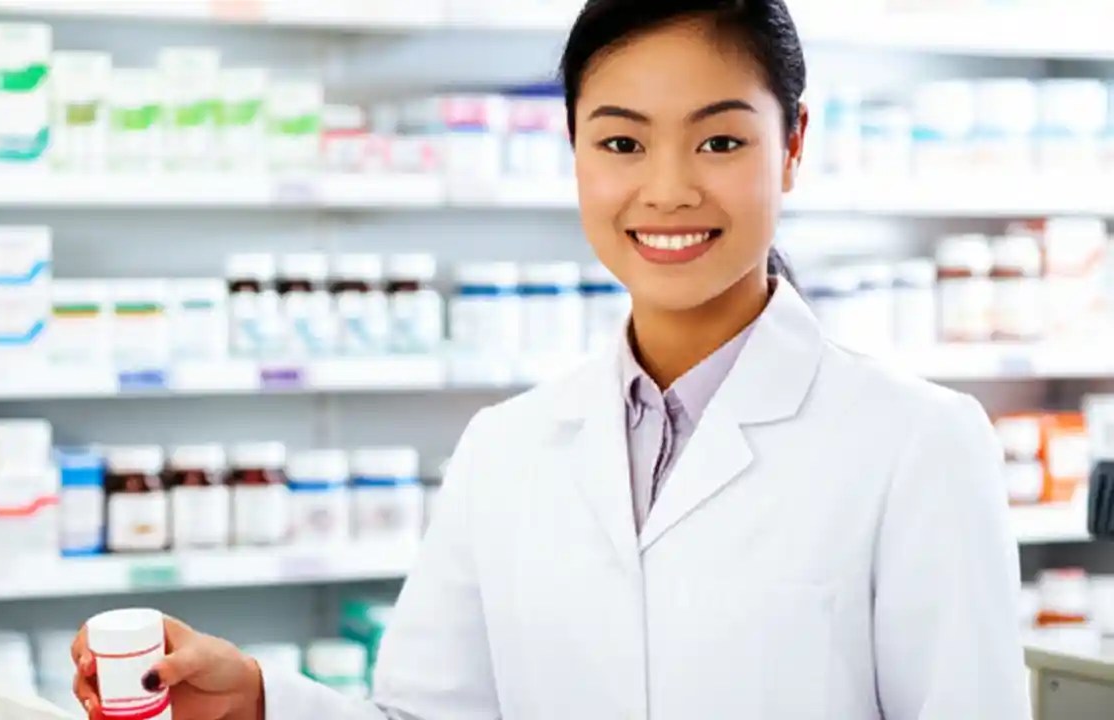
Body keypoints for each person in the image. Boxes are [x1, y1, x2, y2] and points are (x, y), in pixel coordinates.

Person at [71, 1, 1031, 717]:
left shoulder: (919, 444)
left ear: (792, 146)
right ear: (572, 147)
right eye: (621, 141)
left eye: (719, 140)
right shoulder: (507, 448)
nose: (667, 189)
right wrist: (258, 701)